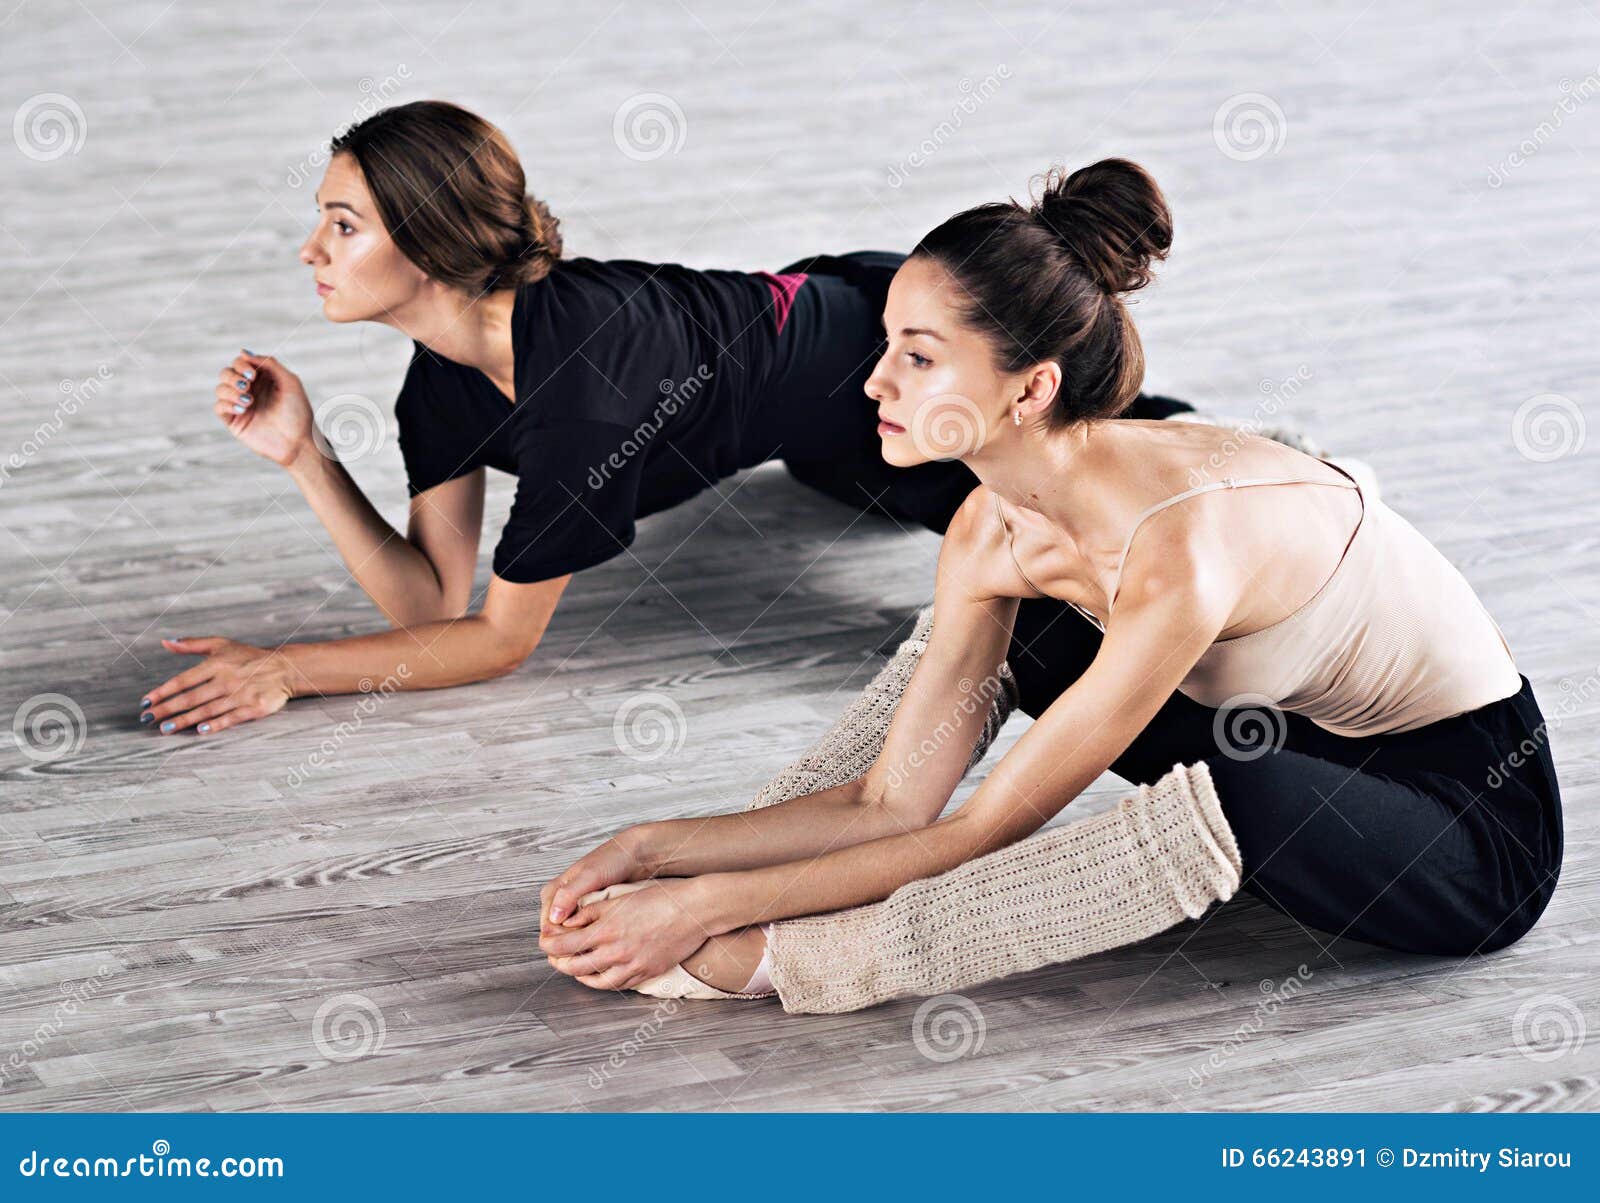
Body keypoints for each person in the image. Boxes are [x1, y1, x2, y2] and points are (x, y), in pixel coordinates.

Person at [537, 158, 1563, 1015]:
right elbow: (891, 800)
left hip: (1464, 821)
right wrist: (660, 852)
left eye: (919, 358)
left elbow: (982, 833)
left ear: (1032, 388)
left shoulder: (1179, 551)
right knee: (1033, 627)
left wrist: (719, 919)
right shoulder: (988, 525)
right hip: (1281, 726)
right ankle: (757, 897)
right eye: (887, 345)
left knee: (1236, 790)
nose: (875, 382)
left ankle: (798, 956)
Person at [137, 99, 1266, 740]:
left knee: (1074, 499)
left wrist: (288, 669)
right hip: (815, 414)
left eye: (343, 225)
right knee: (844, 484)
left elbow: (497, 641)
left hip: (887, 355)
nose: (311, 249)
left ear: (428, 245)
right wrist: (307, 456)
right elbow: (430, 604)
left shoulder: (579, 387)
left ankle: (1257, 469)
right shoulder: (440, 384)